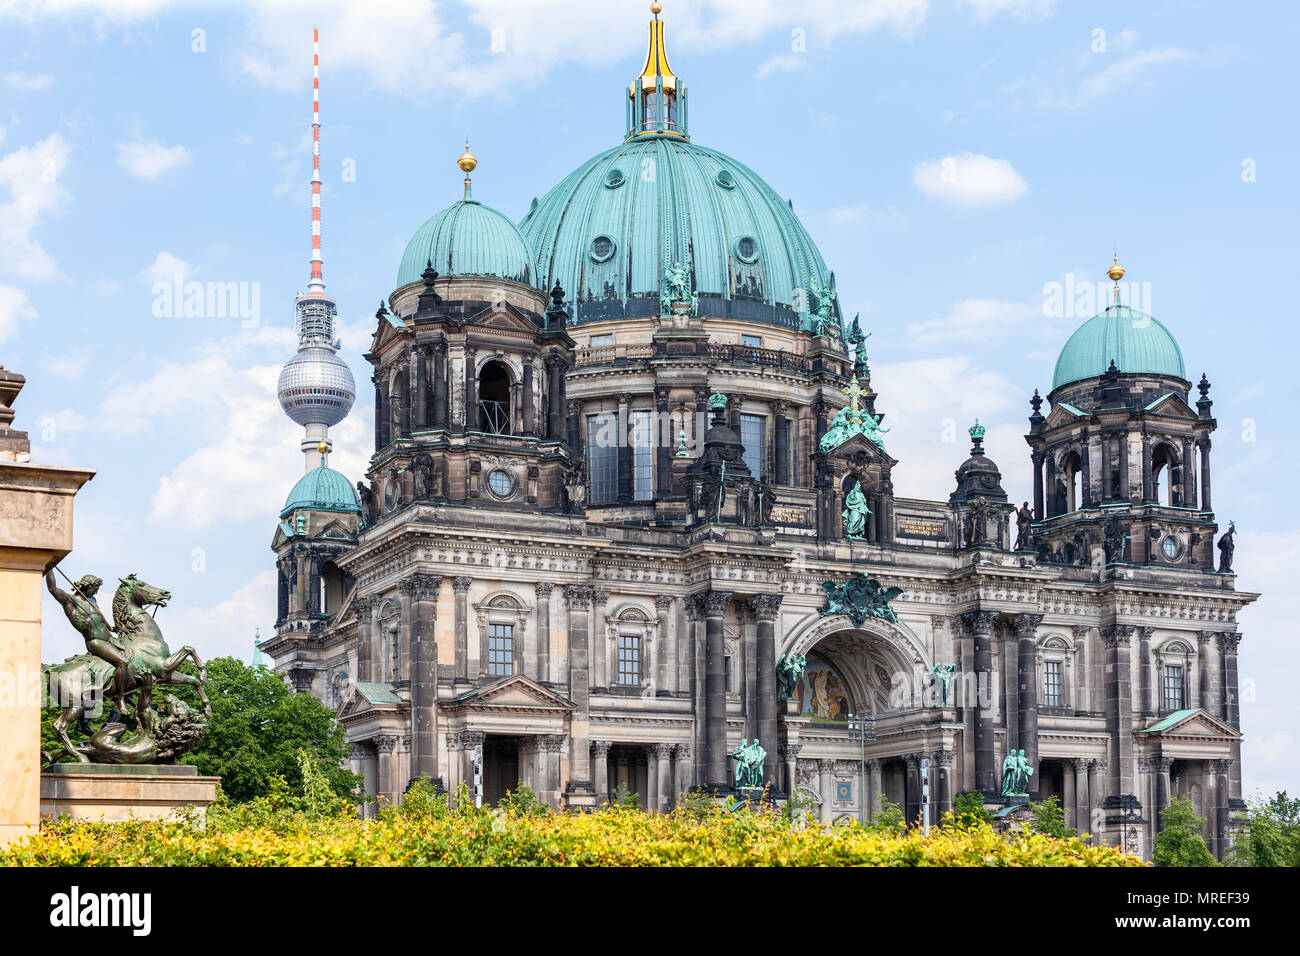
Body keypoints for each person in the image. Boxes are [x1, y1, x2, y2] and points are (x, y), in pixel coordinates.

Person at [46, 570, 130, 716]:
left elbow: (100, 617)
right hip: (95, 641)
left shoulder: (92, 600)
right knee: (122, 662)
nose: (96, 592)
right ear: (87, 586)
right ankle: (120, 698)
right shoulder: (71, 601)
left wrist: (111, 628)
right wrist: (50, 567)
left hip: (109, 638)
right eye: (94, 589)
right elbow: (52, 588)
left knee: (134, 657)